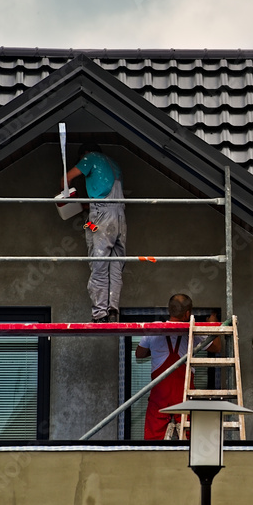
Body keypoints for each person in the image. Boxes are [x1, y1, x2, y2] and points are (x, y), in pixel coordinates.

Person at [135, 294, 221, 439]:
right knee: (191, 442)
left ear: (170, 310)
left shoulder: (154, 328)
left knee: (153, 443)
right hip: (184, 396)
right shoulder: (193, 330)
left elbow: (139, 354)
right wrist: (212, 325)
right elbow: (216, 347)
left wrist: (156, 349)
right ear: (187, 314)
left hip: (159, 396)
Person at [62, 143, 126, 323]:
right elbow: (105, 196)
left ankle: (99, 314)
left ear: (85, 154)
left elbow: (65, 179)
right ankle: (113, 310)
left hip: (101, 216)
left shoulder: (90, 158)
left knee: (99, 263)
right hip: (119, 216)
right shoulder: (114, 164)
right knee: (115, 265)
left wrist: (65, 197)